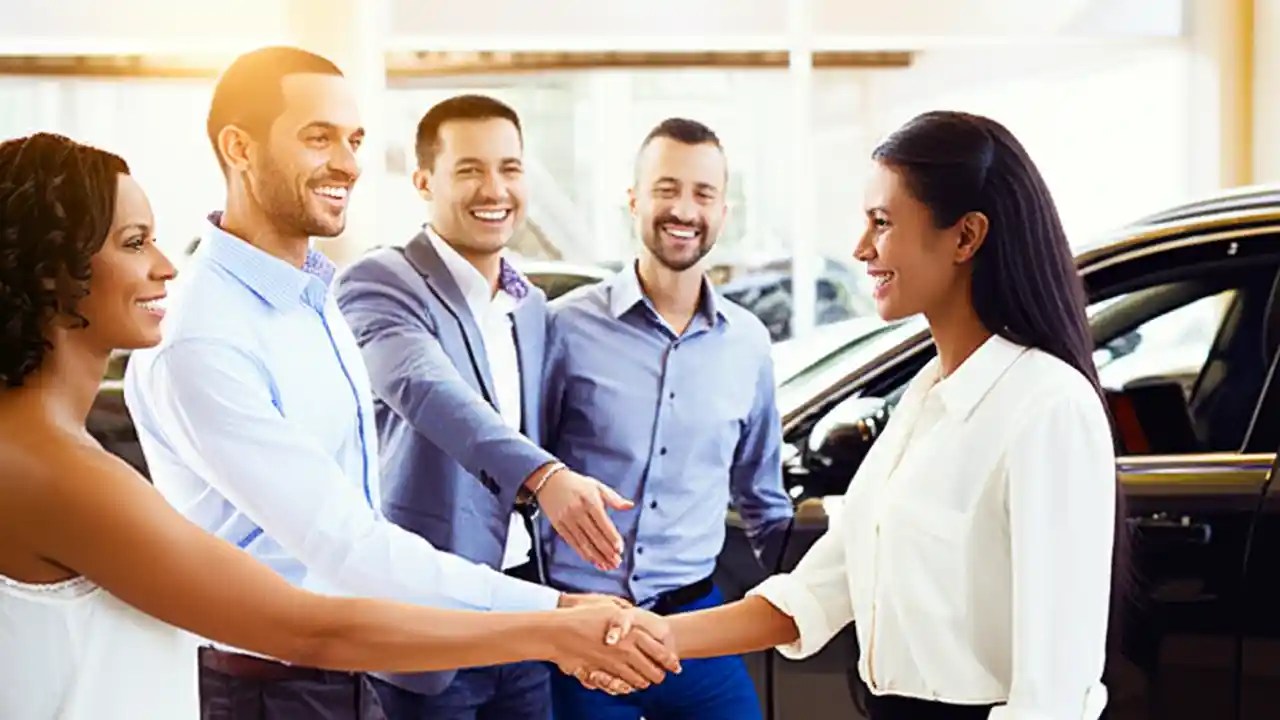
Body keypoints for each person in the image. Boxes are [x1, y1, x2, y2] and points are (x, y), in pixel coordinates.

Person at [0, 131, 680, 720]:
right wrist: (552, 628)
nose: (165, 264)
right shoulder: (56, 471)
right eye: (134, 242)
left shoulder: (48, 452)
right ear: (52, 270)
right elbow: (307, 627)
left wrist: (555, 620)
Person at [120, 46, 640, 718]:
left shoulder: (312, 297)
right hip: (271, 688)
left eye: (355, 139)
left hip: (355, 664)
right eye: (318, 138)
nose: (348, 163)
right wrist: (555, 613)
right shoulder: (203, 337)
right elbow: (350, 545)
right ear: (238, 148)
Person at [631, 110, 1124, 720]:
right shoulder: (923, 399)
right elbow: (814, 595)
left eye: (882, 223)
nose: (861, 249)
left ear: (965, 237)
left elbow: (1051, 694)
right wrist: (646, 637)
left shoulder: (1048, 406)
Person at [335, 94, 632, 719]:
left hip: (519, 598)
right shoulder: (380, 282)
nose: (494, 188)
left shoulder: (528, 303)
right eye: (470, 169)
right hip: (425, 611)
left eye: (510, 168)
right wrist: (544, 476)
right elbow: (425, 388)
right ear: (423, 182)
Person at [540, 117, 795, 720]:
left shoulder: (749, 345)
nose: (684, 209)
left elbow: (762, 497)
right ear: (633, 200)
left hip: (695, 628)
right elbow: (522, 471)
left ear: (723, 212)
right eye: (666, 188)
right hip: (581, 631)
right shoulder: (563, 328)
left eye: (703, 194)